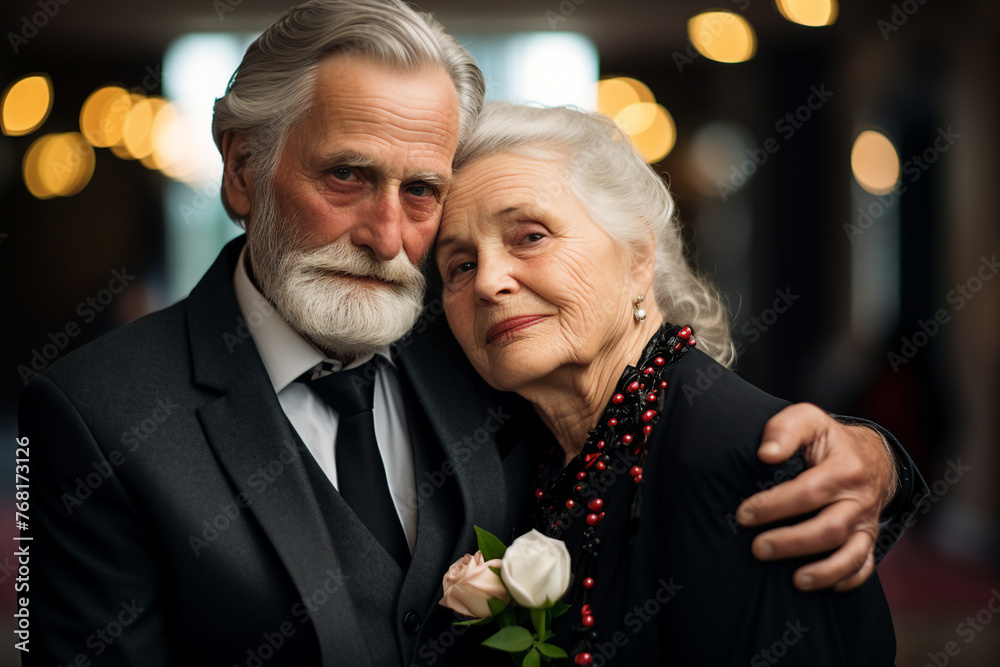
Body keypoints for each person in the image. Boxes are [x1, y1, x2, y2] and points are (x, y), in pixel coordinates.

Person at [17, 2, 920, 665]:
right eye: (346, 176)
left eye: (421, 191)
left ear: (640, 254)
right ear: (244, 169)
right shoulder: (97, 414)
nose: (387, 237)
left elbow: (688, 428)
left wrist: (872, 458)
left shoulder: (483, 339)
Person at [435, 102, 913, 665]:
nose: (488, 282)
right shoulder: (534, 450)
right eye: (459, 265)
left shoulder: (737, 462)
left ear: (638, 255)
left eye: (531, 236)